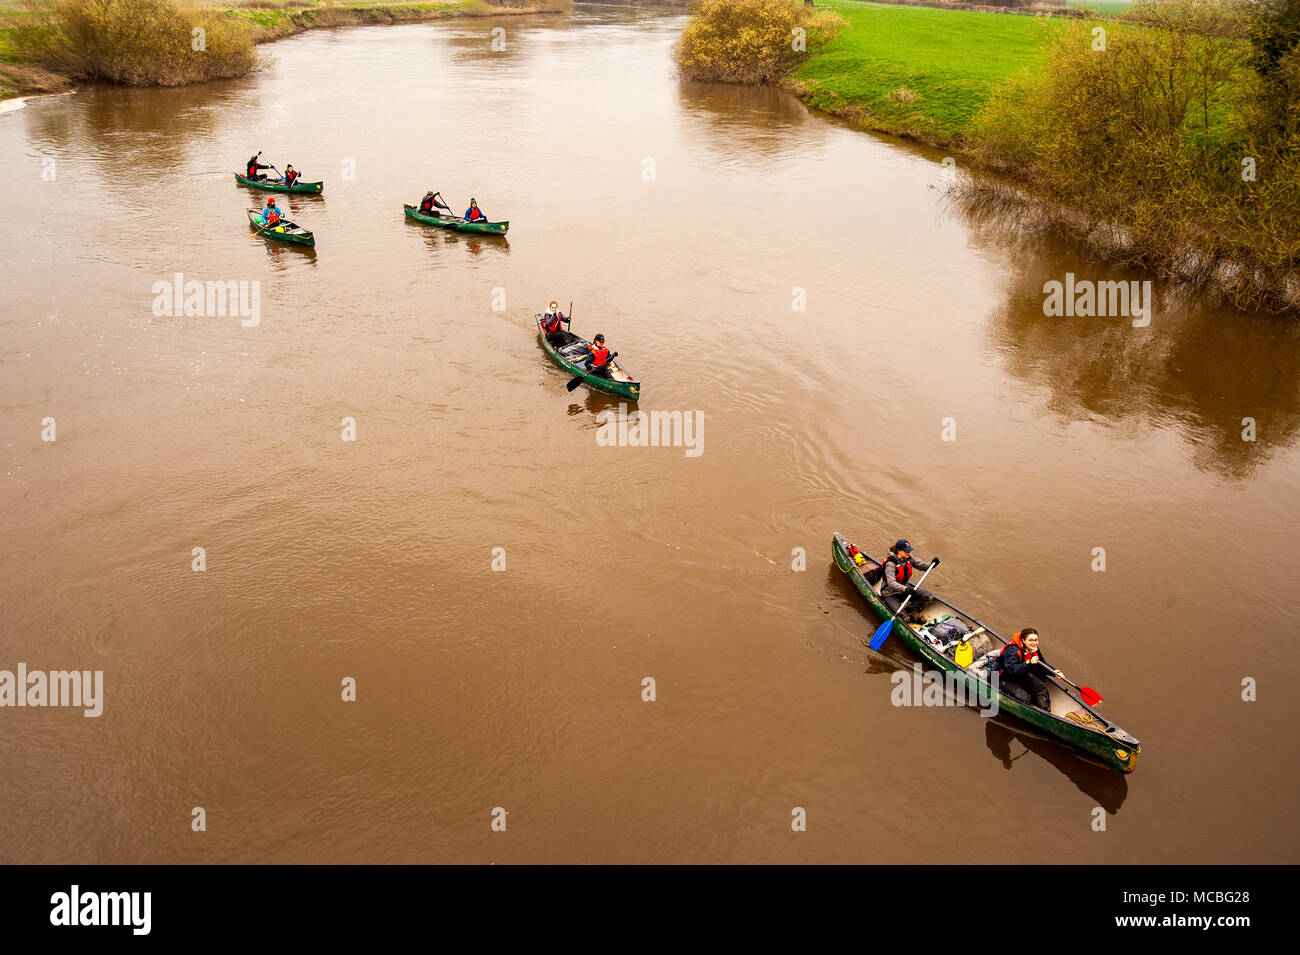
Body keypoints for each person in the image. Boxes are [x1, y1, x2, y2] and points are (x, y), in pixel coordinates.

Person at [991, 628, 1063, 711]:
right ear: (1023, 640)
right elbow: (1012, 670)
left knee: (1041, 688)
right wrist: (1029, 663)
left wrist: (1055, 672)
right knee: (1024, 698)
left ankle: (1046, 711)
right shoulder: (1013, 651)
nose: (1034, 643)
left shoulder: (1033, 648)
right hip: (1002, 677)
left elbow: (1042, 664)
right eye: (1031, 640)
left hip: (1021, 672)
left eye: (1036, 640)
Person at [879, 539, 937, 613]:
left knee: (929, 597)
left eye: (909, 550)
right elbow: (891, 583)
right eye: (906, 551)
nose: (909, 553)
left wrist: (932, 564)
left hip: (904, 589)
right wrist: (905, 589)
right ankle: (906, 616)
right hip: (889, 593)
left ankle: (909, 610)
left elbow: (922, 566)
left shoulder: (909, 558)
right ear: (899, 551)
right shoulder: (891, 564)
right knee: (901, 614)